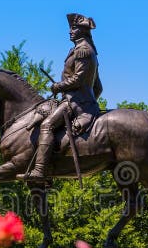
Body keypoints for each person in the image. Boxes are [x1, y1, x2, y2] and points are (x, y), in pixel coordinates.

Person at [24, 13, 103, 180]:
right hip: (80, 101)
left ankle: (40, 170)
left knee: (47, 125)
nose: (70, 31)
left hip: (75, 102)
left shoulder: (82, 50)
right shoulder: (87, 50)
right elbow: (98, 87)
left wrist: (59, 86)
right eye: (70, 28)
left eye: (74, 28)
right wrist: (90, 102)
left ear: (83, 31)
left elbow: (79, 79)